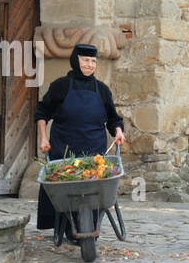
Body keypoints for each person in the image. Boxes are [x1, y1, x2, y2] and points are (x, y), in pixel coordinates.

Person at [36, 43, 125, 241]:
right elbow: (42, 112)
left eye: (93, 61)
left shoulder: (102, 90)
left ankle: (89, 227)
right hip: (64, 151)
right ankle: (66, 226)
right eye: (85, 60)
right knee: (66, 192)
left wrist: (118, 131)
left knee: (92, 191)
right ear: (75, 61)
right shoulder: (61, 86)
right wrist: (43, 137)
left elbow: (113, 119)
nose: (90, 65)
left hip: (93, 154)